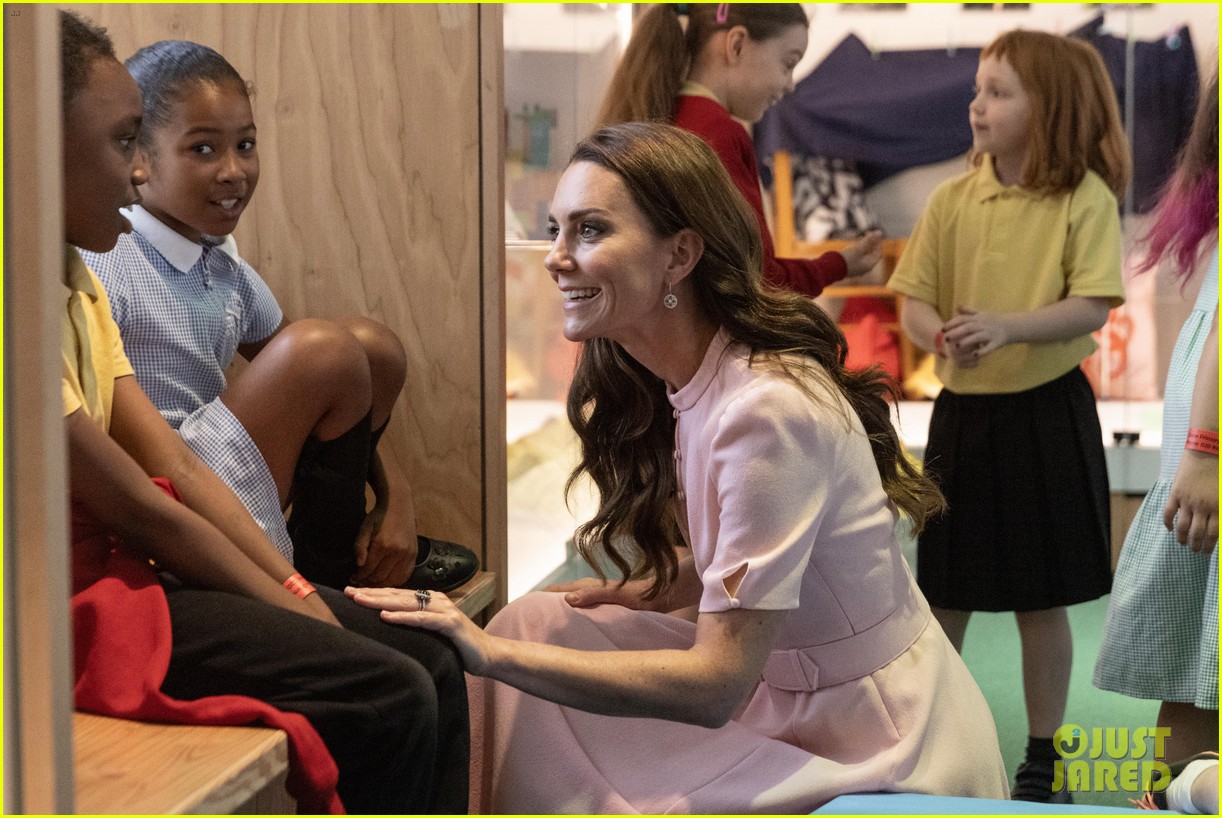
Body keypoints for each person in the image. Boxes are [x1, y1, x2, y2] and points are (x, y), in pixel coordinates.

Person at [349, 121, 1009, 813]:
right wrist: (663, 586)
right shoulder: (701, 378)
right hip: (792, 690)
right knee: (534, 622)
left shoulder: (764, 408)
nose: (555, 257)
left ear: (679, 256)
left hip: (869, 739)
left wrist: (479, 649)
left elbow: (716, 685)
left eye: (590, 230)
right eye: (556, 229)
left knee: (509, 654)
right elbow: (793, 552)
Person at [58, 12, 468, 812]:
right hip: (107, 565)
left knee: (439, 659)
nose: (137, 176)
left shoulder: (81, 281)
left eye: (245, 144)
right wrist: (305, 609)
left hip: (177, 507)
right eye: (125, 144)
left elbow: (171, 474)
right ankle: (324, 570)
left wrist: (377, 519)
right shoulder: (104, 272)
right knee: (388, 687)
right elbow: (145, 499)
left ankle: (328, 562)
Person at [78, 39, 477, 593]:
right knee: (323, 350)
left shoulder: (220, 261)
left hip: (218, 468)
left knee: (371, 348)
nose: (234, 171)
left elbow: (341, 374)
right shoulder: (111, 258)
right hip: (166, 493)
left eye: (245, 145)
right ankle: (326, 573)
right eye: (202, 150)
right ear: (140, 158)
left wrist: (397, 497)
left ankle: (336, 554)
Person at [887, 30, 1130, 802]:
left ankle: (1042, 755)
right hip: (966, 417)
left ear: (1048, 107)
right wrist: (942, 335)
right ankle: (941, 740)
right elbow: (914, 301)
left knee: (1040, 596)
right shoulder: (952, 200)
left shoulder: (1084, 199)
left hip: (1048, 416)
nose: (976, 104)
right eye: (978, 89)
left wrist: (1006, 327)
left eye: (998, 91)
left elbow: (1092, 301)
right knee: (945, 592)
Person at [1094, 72, 1218, 809]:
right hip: (1213, 439)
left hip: (1207, 437)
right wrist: (1205, 452)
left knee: (1201, 651)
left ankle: (1170, 789)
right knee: (1204, 644)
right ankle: (1175, 790)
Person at [595, 3, 882, 300]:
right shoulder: (720, 133)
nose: (790, 85)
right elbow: (761, 280)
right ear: (737, 44)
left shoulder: (660, 117)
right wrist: (841, 264)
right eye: (788, 64)